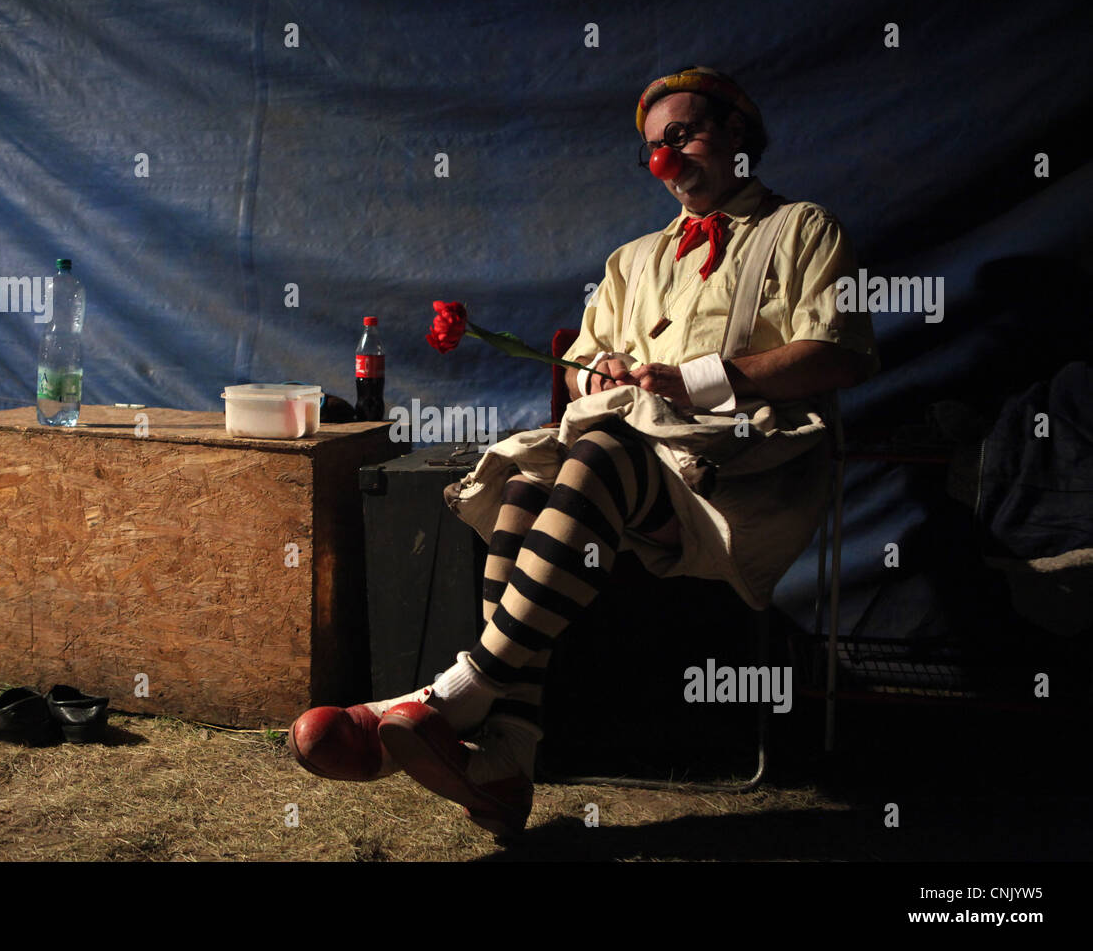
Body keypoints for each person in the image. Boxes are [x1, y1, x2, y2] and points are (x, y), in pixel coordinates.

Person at [288, 66, 879, 838]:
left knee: (593, 453)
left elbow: (844, 355)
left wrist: (698, 377)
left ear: (738, 133)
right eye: (650, 149)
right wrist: (603, 370)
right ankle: (506, 759)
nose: (665, 161)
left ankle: (455, 695)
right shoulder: (631, 260)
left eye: (682, 136)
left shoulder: (806, 228)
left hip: (740, 476)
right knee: (532, 479)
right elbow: (583, 374)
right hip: (625, 477)